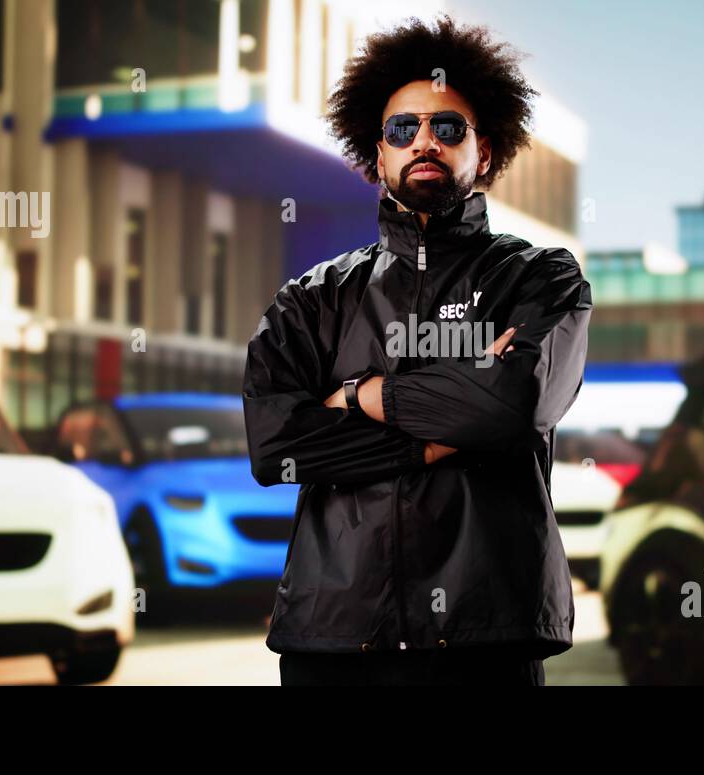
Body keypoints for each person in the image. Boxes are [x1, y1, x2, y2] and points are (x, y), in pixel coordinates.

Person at [243, 14, 592, 686]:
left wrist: (362, 396)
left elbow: (512, 404)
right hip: (336, 637)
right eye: (403, 128)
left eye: (448, 127)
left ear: (483, 153)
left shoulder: (539, 277)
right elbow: (276, 444)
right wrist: (434, 436)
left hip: (485, 636)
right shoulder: (312, 300)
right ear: (378, 155)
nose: (424, 141)